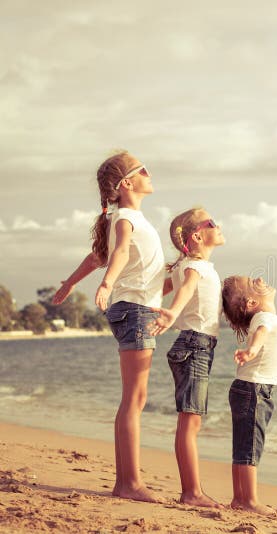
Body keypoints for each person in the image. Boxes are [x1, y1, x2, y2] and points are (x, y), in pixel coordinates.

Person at [52, 151, 165, 503]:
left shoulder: (123, 217)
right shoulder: (126, 218)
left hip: (135, 308)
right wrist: (105, 284)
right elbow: (114, 258)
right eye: (142, 170)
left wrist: (69, 283)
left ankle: (127, 480)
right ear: (127, 183)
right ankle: (129, 482)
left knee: (135, 398)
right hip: (134, 310)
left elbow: (97, 256)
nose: (150, 173)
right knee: (134, 399)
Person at [149, 207, 225, 508]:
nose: (218, 226)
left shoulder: (187, 265)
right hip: (195, 344)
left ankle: (191, 490)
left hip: (195, 344)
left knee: (190, 421)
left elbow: (166, 287)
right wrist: (173, 312)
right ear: (197, 235)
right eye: (212, 223)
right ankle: (191, 492)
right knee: (190, 422)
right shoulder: (196, 266)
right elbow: (187, 289)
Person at [221, 275, 277, 515]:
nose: (260, 279)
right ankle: (249, 500)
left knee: (242, 444)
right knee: (250, 445)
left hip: (246, 388)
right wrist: (251, 350)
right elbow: (261, 332)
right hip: (255, 389)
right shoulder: (265, 318)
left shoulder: (263, 316)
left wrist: (251, 351)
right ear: (251, 302)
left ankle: (240, 497)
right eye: (253, 283)